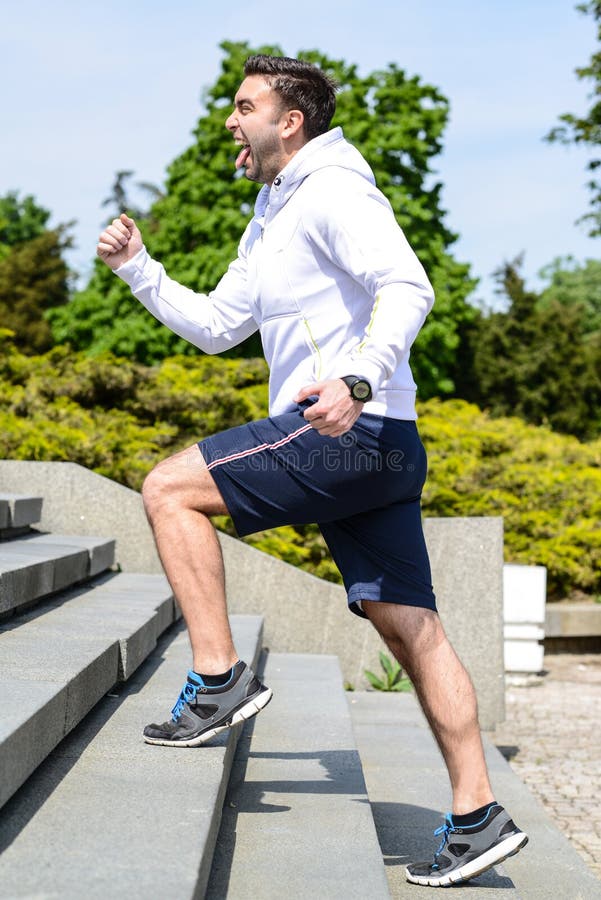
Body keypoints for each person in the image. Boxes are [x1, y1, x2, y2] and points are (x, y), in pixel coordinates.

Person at [97, 54, 528, 887]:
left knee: (166, 488)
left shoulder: (333, 191)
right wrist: (138, 271)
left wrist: (358, 377)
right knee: (412, 629)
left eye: (243, 106)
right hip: (382, 443)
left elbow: (407, 284)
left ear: (288, 121)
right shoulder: (272, 209)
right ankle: (477, 814)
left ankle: (217, 679)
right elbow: (222, 325)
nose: (231, 121)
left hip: (348, 428)